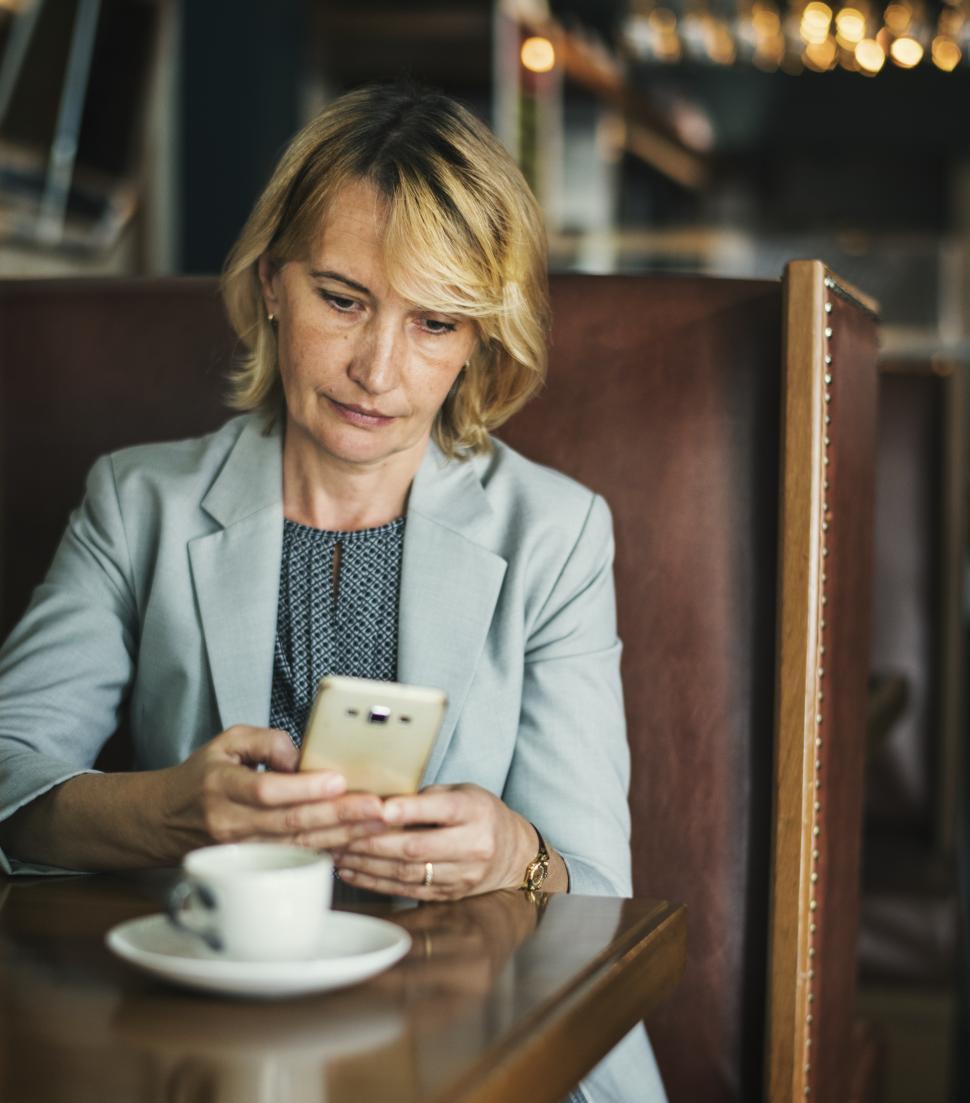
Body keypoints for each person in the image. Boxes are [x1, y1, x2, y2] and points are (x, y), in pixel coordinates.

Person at [0, 83, 665, 1102]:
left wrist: (512, 850)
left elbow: (591, 887)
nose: (376, 370)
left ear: (480, 340)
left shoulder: (557, 533)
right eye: (343, 298)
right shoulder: (139, 503)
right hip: (206, 1046)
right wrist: (173, 812)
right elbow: (8, 782)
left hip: (478, 1048)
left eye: (434, 322)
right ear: (272, 283)